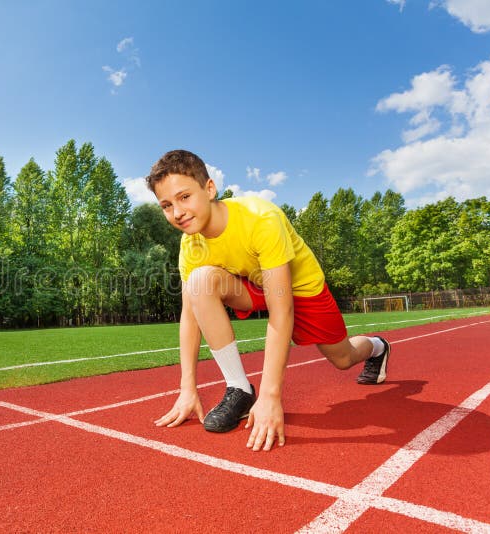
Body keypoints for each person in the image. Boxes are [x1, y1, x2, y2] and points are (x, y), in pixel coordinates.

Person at [148, 149, 390, 452]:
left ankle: (377, 347)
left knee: (342, 358)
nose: (177, 212)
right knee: (199, 282)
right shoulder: (190, 245)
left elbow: (282, 308)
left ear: (209, 189)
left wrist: (271, 396)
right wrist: (187, 388)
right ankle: (239, 389)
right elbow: (189, 316)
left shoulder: (261, 218)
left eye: (184, 197)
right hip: (252, 286)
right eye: (166, 205)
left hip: (300, 290)